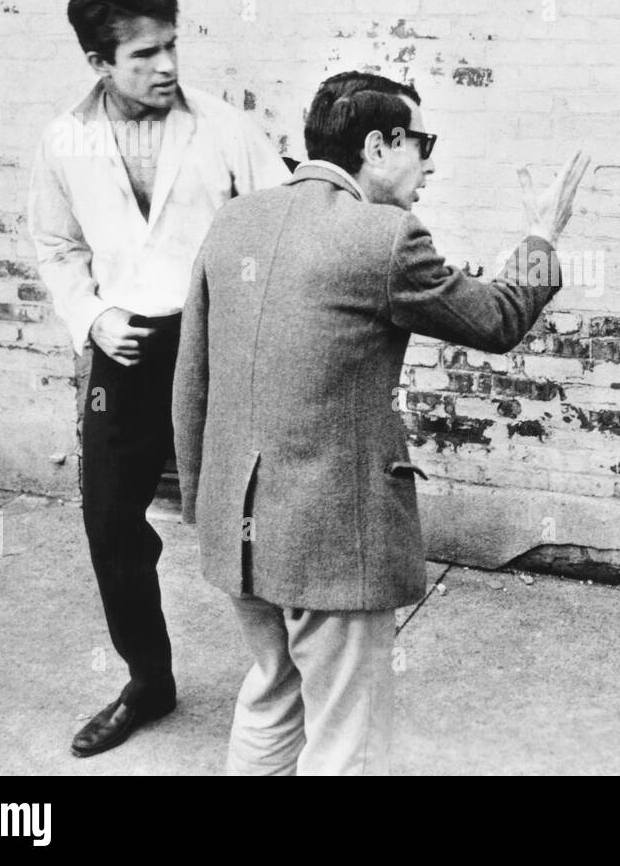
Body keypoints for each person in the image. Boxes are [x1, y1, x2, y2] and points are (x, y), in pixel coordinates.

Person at [172, 76, 588, 775]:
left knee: (273, 695)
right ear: (379, 145)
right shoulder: (384, 237)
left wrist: (201, 503)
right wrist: (543, 235)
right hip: (331, 536)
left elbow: (192, 378)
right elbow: (494, 318)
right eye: (422, 144)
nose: (429, 164)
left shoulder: (235, 220)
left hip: (236, 529)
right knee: (347, 740)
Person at [27, 0, 291, 758]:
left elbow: (279, 221)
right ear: (99, 61)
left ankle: (289, 680)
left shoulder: (223, 125)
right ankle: (148, 678)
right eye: (143, 54)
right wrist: (96, 316)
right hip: (125, 352)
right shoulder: (63, 140)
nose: (168, 66)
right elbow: (56, 247)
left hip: (218, 348)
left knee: (254, 519)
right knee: (110, 522)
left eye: (173, 45)